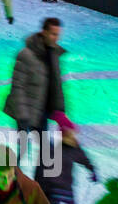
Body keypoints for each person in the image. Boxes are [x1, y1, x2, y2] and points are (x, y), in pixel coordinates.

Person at [4, 18, 71, 165]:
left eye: (58, 34)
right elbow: (18, 86)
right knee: (23, 148)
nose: (56, 38)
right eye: (53, 34)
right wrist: (22, 115)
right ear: (44, 32)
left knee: (45, 149)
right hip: (26, 110)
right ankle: (13, 177)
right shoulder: (26, 55)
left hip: (42, 110)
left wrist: (59, 111)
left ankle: (43, 182)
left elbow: (56, 84)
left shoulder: (54, 54)